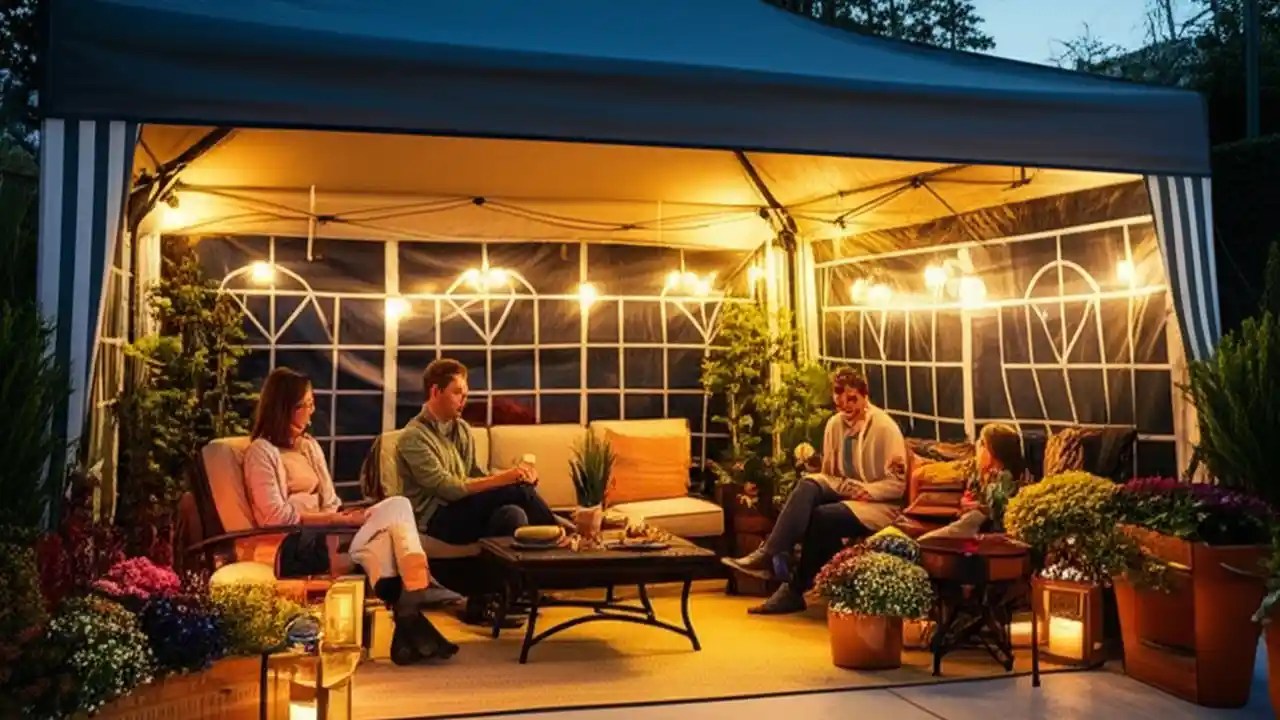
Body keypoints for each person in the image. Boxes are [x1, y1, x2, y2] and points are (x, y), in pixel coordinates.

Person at [243, 367, 458, 665]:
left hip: (328, 533)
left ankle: (413, 605)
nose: (312, 410)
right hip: (296, 544)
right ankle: (419, 589)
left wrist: (342, 517)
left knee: (396, 509)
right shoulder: (261, 452)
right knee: (391, 526)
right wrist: (336, 521)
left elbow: (331, 501)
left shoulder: (308, 446)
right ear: (286, 407)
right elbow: (275, 517)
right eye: (307, 404)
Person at [722, 367, 908, 615]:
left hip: (878, 503)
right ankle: (772, 552)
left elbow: (898, 484)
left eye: (852, 399)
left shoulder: (885, 428)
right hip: (844, 490)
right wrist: (836, 484)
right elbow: (830, 473)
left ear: (865, 396)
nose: (847, 407)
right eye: (840, 402)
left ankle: (793, 589)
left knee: (822, 517)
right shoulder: (834, 425)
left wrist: (867, 491)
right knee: (808, 485)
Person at [397, 358, 560, 620]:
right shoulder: (413, 437)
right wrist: (508, 480)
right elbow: (448, 489)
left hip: (464, 510)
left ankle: (500, 597)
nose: (463, 400)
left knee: (511, 514)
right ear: (435, 392)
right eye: (457, 392)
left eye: (465, 393)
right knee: (517, 491)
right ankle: (560, 544)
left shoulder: (460, 429)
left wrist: (512, 477)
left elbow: (476, 476)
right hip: (436, 519)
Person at [920, 423, 1027, 539]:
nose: (977, 447)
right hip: (977, 525)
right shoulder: (981, 475)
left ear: (994, 451)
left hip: (990, 530)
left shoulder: (1005, 478)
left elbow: (999, 509)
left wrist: (978, 507)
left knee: (974, 518)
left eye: (982, 443)